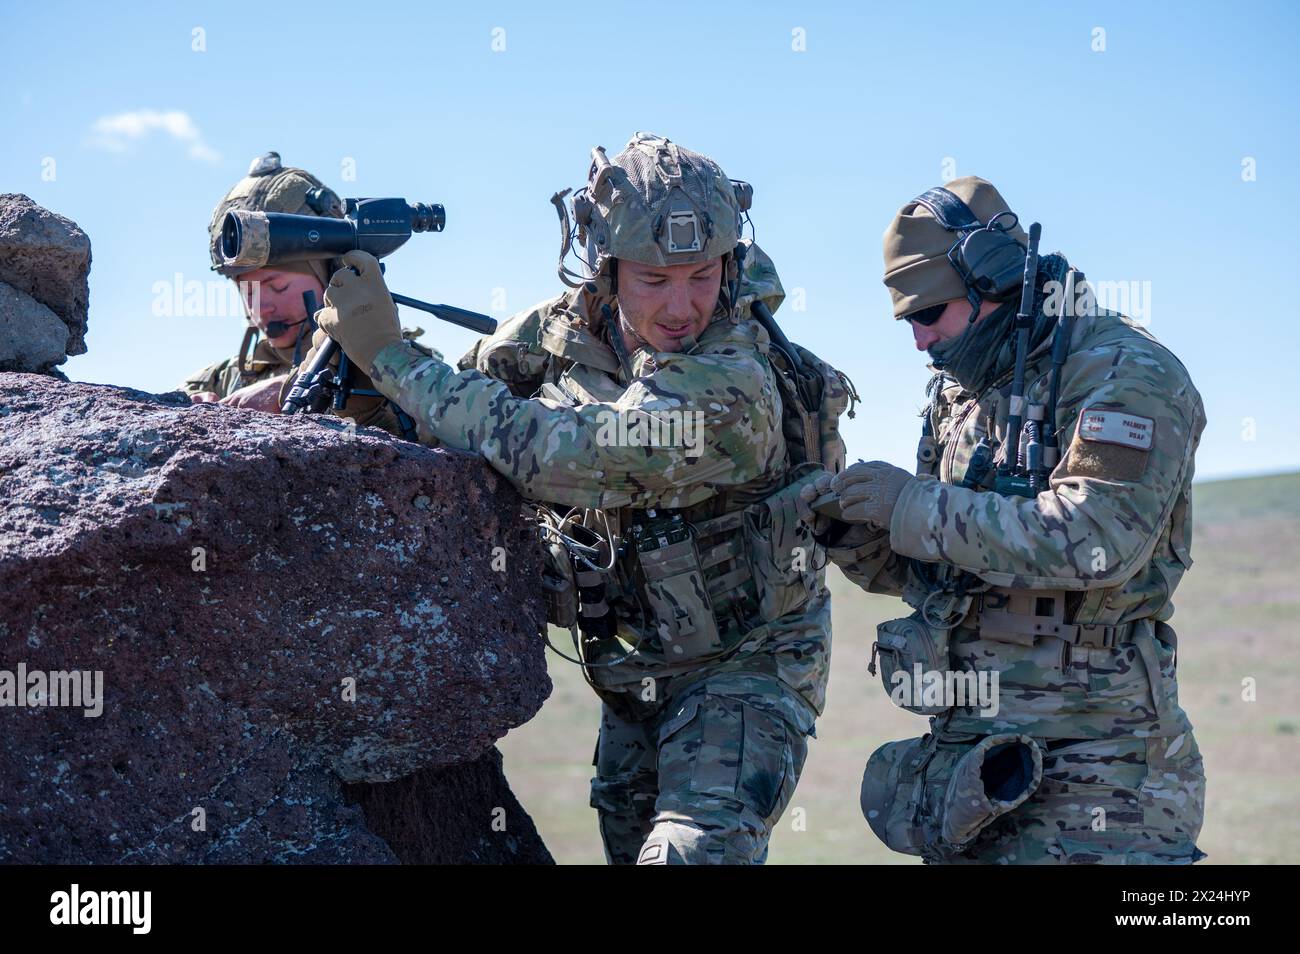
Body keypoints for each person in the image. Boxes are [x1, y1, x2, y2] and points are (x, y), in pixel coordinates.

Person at [301, 132, 853, 864]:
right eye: (654, 280)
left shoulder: (734, 382)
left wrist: (394, 358)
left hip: (747, 665)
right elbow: (455, 405)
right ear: (606, 266)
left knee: (691, 854)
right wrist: (368, 364)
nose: (683, 305)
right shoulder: (558, 331)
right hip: (634, 674)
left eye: (702, 275)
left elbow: (572, 454)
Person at [803, 176, 1206, 864]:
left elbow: (1096, 541)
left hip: (1102, 777)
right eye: (909, 321)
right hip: (975, 773)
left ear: (992, 277)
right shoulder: (961, 395)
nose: (922, 340)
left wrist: (912, 506)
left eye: (931, 312)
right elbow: (941, 569)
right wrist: (850, 528)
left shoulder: (1124, 372)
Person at [183, 152, 340, 412]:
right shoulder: (229, 377)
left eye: (278, 287)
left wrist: (294, 390)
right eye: (249, 291)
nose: (262, 309)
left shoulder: (385, 370)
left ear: (330, 275)